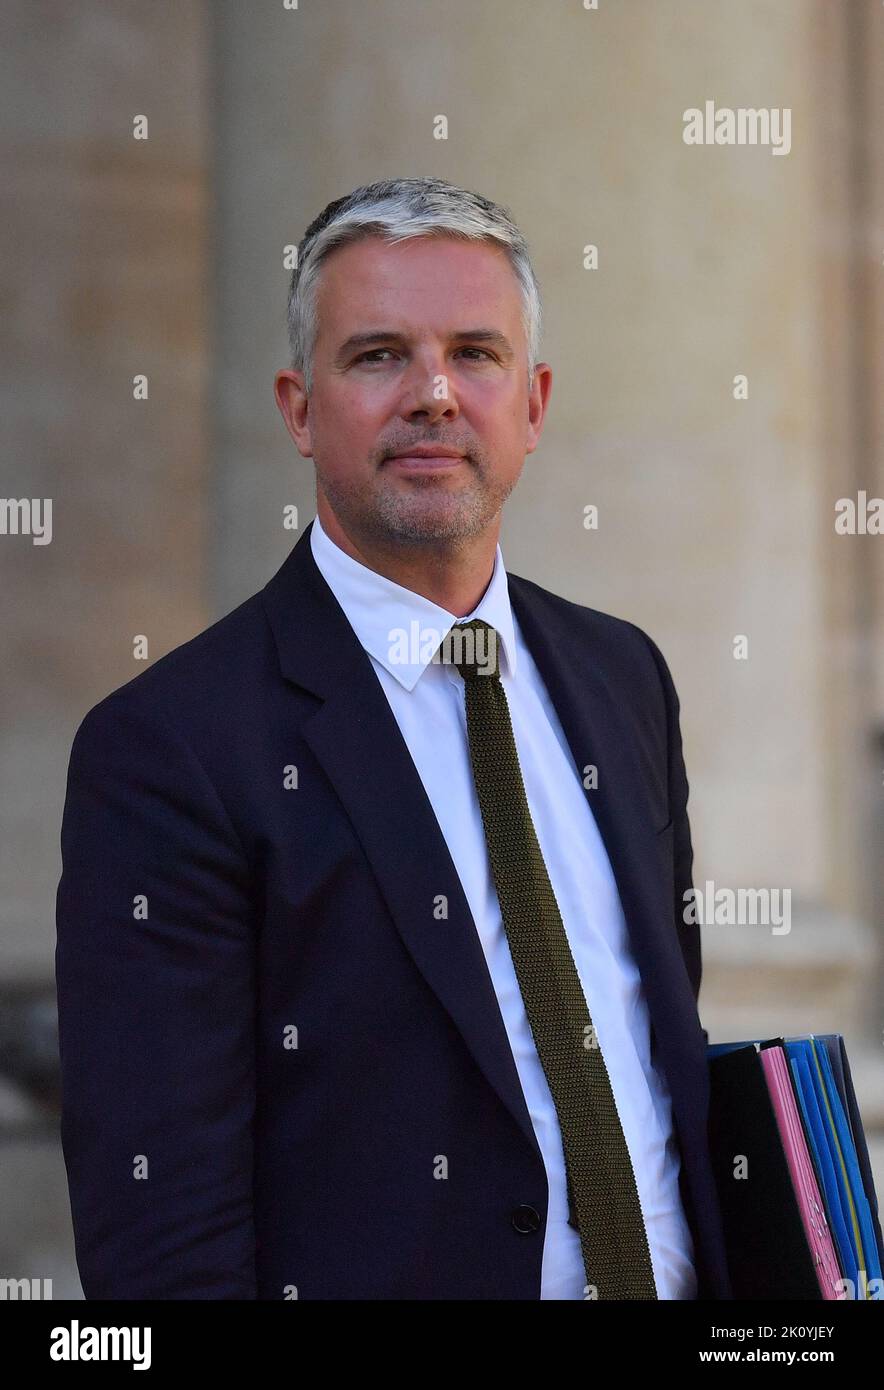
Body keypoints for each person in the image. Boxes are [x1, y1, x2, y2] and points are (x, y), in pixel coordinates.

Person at [56, 176, 731, 1300]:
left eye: (475, 353)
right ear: (297, 407)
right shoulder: (170, 748)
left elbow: (659, 1058)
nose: (432, 395)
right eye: (375, 356)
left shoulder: (623, 677)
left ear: (534, 401)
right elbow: (162, 1230)